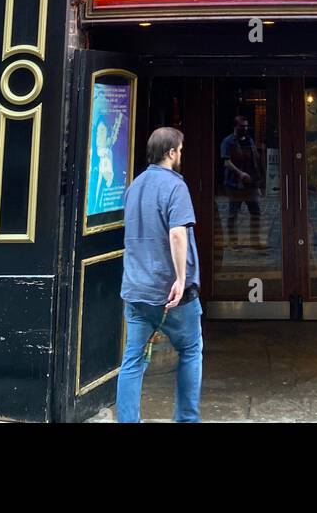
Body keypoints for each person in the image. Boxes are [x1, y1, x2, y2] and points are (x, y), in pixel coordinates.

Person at [116, 126, 202, 423]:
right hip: (171, 291)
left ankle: (127, 420)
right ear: (171, 152)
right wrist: (180, 279)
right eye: (180, 149)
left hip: (136, 288)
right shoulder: (175, 186)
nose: (181, 154)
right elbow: (177, 234)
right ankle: (187, 419)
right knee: (191, 350)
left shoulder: (134, 186)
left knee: (132, 360)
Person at [219, 115, 263, 246]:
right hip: (235, 184)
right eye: (242, 126)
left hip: (250, 184)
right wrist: (240, 173)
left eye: (246, 126)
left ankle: (255, 241)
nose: (245, 129)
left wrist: (258, 183)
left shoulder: (250, 141)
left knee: (256, 213)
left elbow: (255, 162)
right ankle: (233, 242)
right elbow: (226, 161)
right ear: (235, 126)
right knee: (233, 214)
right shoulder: (228, 142)